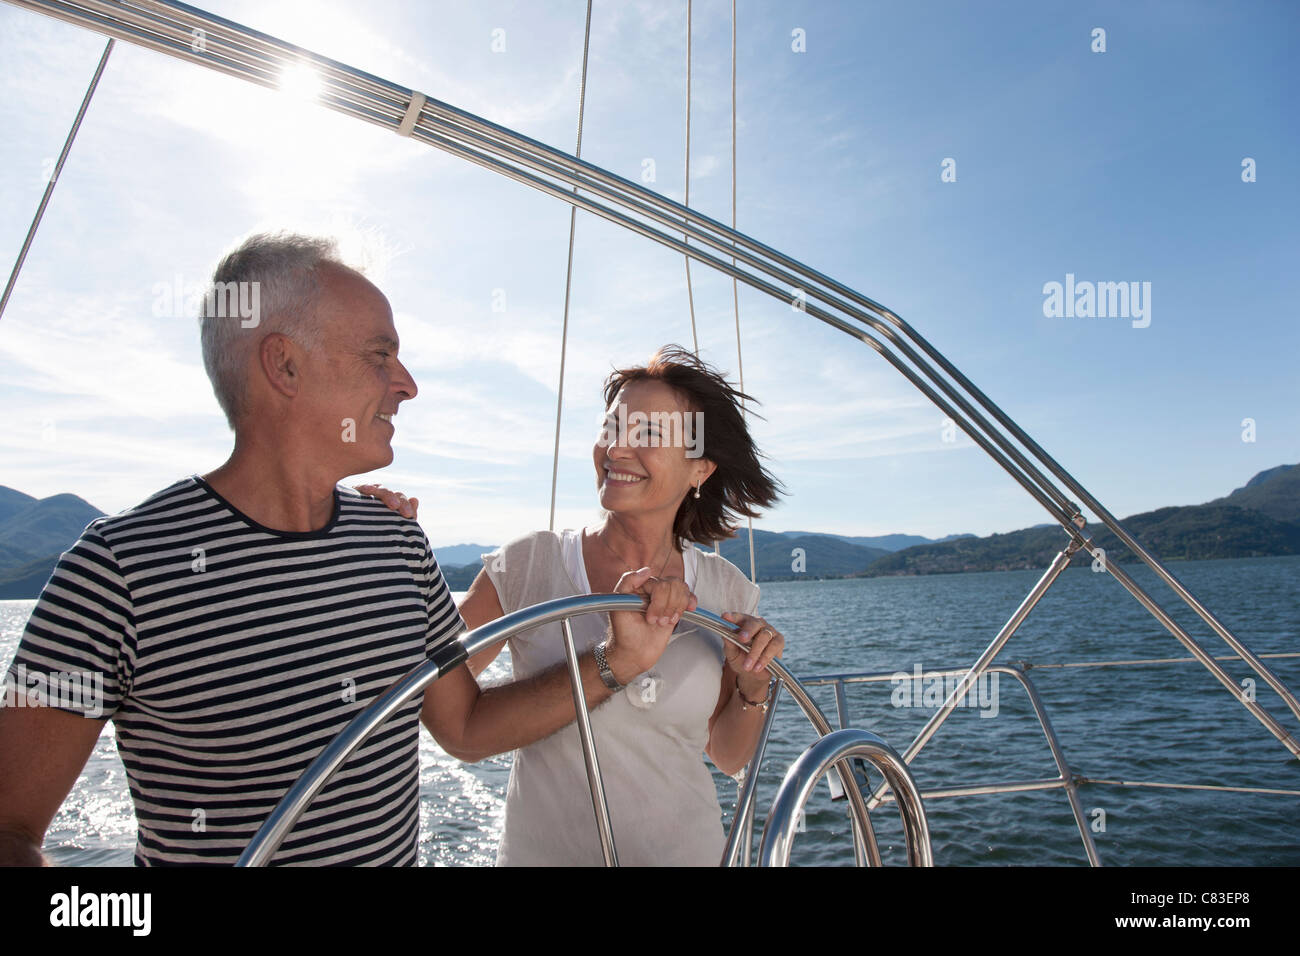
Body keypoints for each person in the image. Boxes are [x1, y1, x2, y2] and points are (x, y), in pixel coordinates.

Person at [0, 232, 687, 866]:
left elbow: (467, 729)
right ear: (286, 365)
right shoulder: (116, 570)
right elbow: (11, 828)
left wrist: (617, 661)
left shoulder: (396, 542)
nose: (408, 384)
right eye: (379, 355)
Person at [456, 345, 786, 866]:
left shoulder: (727, 591)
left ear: (699, 470)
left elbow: (727, 754)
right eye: (612, 428)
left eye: (649, 434)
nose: (617, 448)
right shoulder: (526, 565)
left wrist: (753, 684)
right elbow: (438, 708)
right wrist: (383, 541)